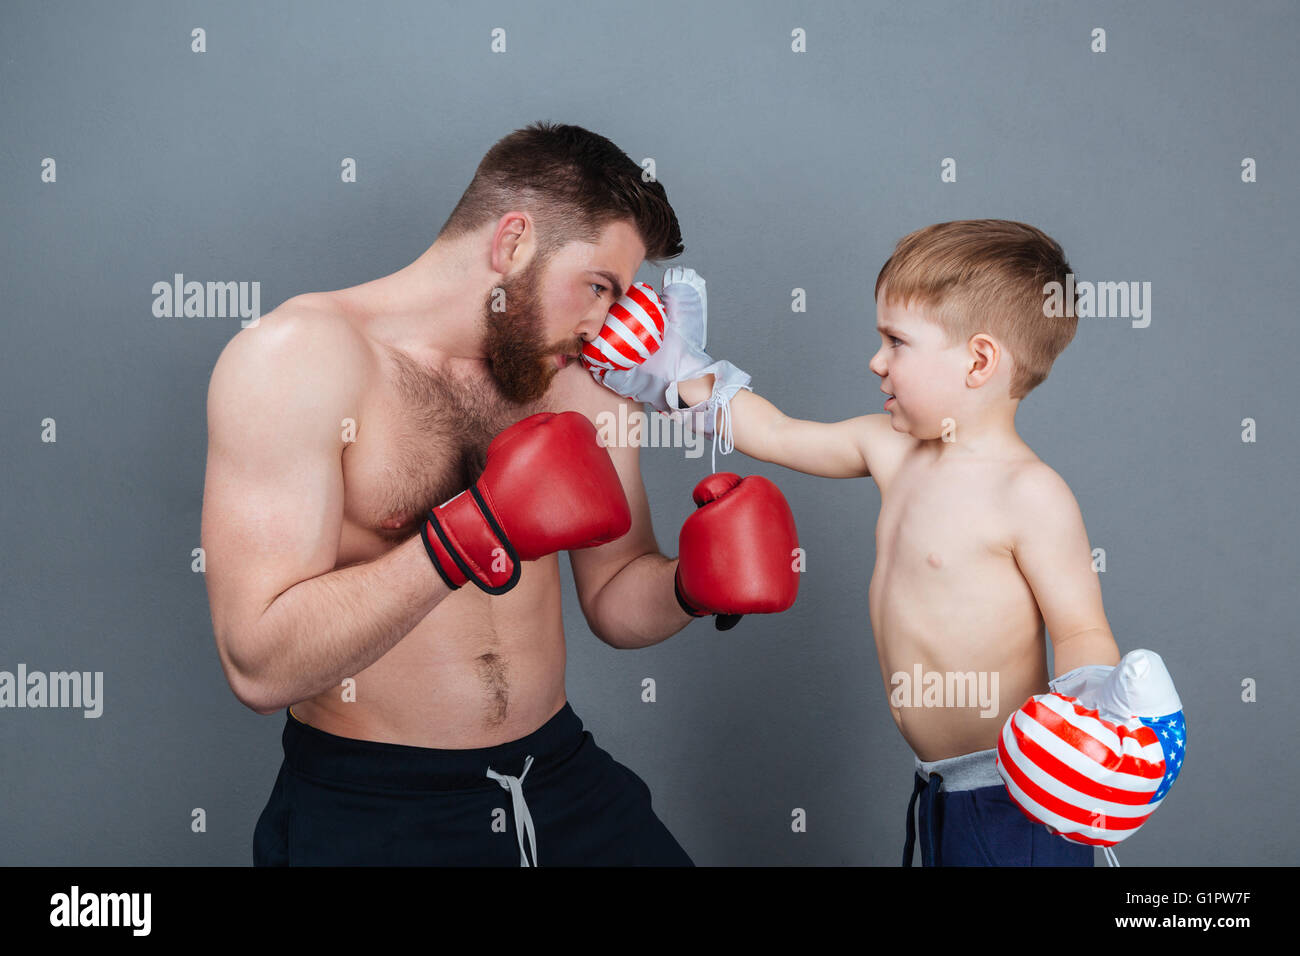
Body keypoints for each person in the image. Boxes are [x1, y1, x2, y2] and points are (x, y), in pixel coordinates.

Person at [200, 121, 797, 866]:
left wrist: (689, 586)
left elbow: (615, 595)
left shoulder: (580, 381)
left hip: (558, 777)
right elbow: (259, 666)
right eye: (600, 287)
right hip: (375, 807)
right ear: (513, 240)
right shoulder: (298, 359)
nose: (607, 325)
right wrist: (471, 534)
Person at [628, 220, 1138, 866]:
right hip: (939, 786)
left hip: (1017, 797)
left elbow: (1081, 628)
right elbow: (779, 433)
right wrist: (680, 374)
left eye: (896, 342)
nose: (876, 361)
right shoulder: (890, 448)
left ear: (979, 361)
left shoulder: (1029, 493)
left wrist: (1091, 725)